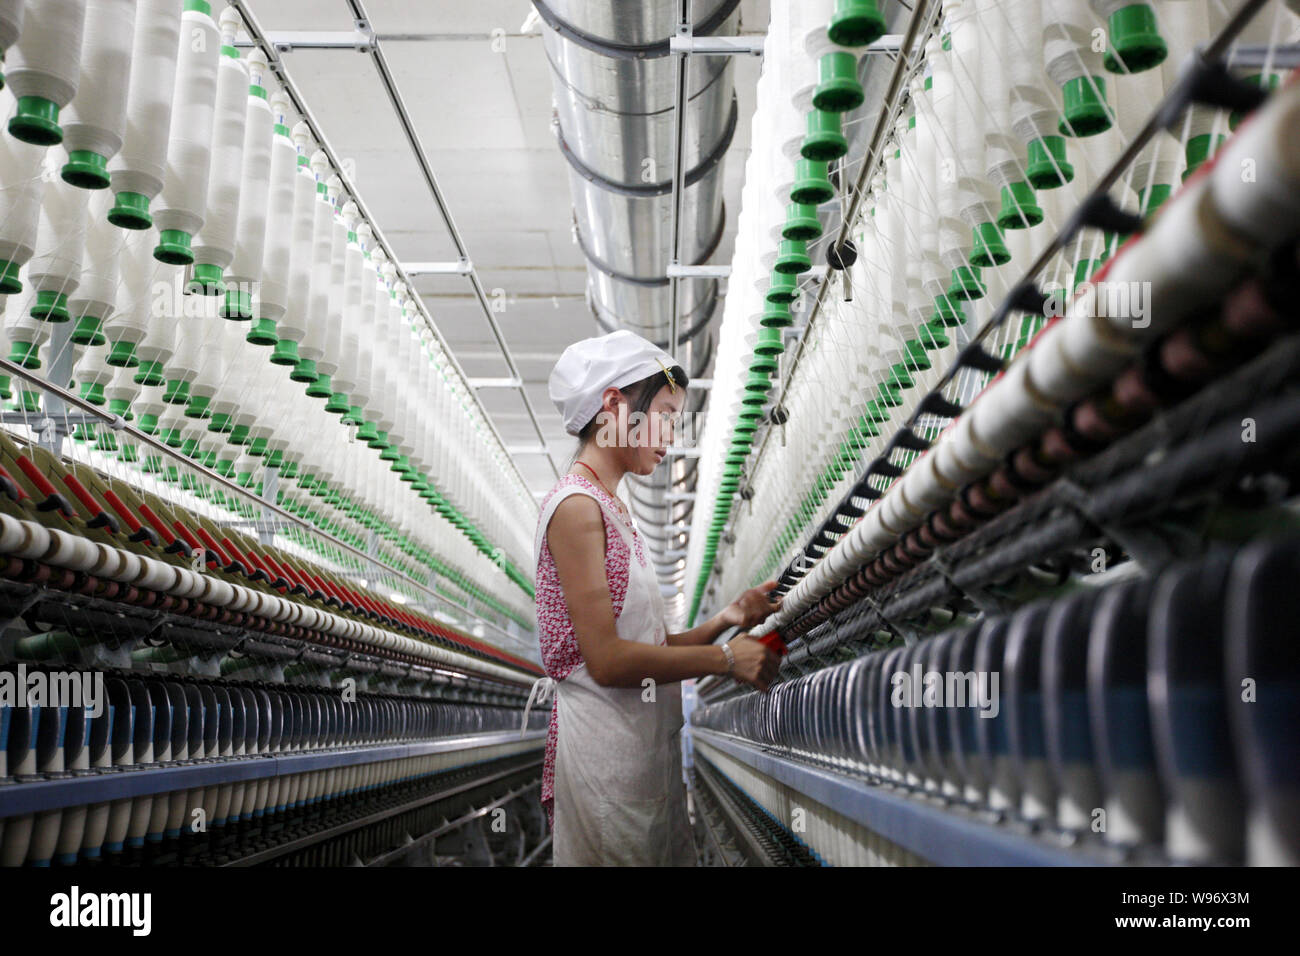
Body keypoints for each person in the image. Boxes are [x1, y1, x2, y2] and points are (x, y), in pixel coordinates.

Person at [533, 329, 782, 866]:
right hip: (606, 762)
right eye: (667, 415)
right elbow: (607, 659)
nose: (672, 435)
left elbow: (651, 644)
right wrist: (723, 659)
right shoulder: (577, 509)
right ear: (613, 404)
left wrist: (728, 618)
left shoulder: (615, 511)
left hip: (640, 756)